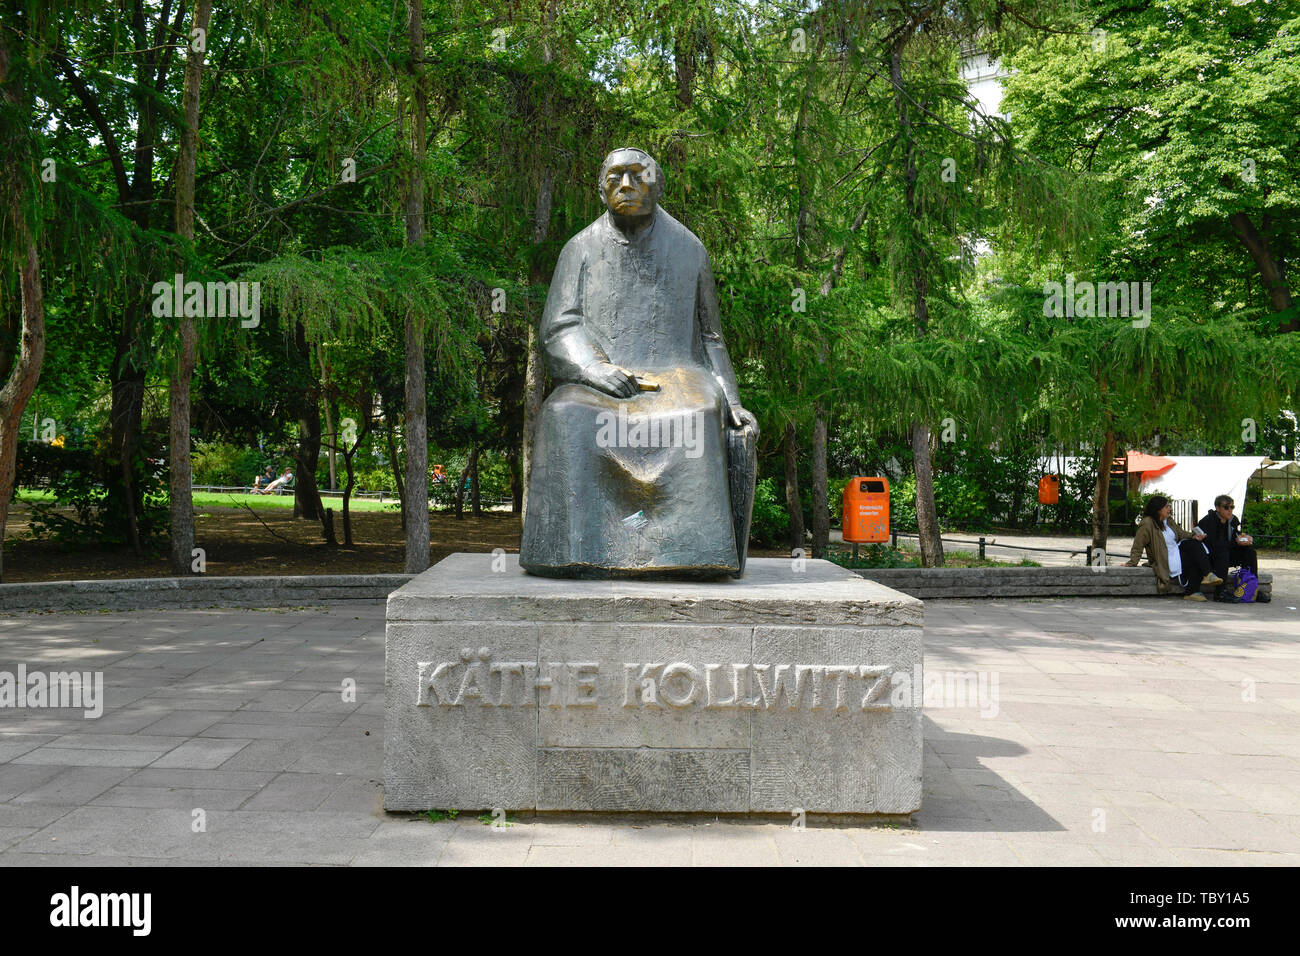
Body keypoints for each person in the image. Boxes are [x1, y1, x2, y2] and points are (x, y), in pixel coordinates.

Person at [520, 147, 758, 578]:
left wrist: (733, 400)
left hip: (679, 373)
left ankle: (692, 555)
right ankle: (572, 552)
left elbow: (710, 336)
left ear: (657, 184)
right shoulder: (580, 249)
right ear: (601, 188)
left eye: (637, 175)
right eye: (615, 177)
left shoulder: (689, 249)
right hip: (597, 378)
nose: (625, 185)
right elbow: (558, 327)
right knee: (563, 412)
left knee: (702, 411)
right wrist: (593, 369)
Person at [1126, 495, 1223, 600]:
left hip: (1175, 553)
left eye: (1170, 506)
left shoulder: (1168, 521)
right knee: (1193, 546)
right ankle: (1207, 575)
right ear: (1158, 509)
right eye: (1167, 507)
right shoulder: (1147, 523)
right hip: (1165, 558)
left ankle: (1192, 591)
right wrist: (1132, 562)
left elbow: (1181, 533)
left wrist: (1194, 536)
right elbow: (1138, 544)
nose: (1170, 509)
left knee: (1196, 547)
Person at [1195, 494, 1257, 597]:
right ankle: (1220, 592)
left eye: (1232, 507)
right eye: (1226, 507)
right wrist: (1235, 543)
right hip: (1210, 557)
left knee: (1250, 551)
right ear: (1218, 508)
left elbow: (1235, 537)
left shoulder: (1232, 521)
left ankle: (1249, 588)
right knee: (1223, 551)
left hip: (1226, 554)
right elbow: (1212, 544)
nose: (1230, 510)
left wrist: (1244, 539)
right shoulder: (1208, 521)